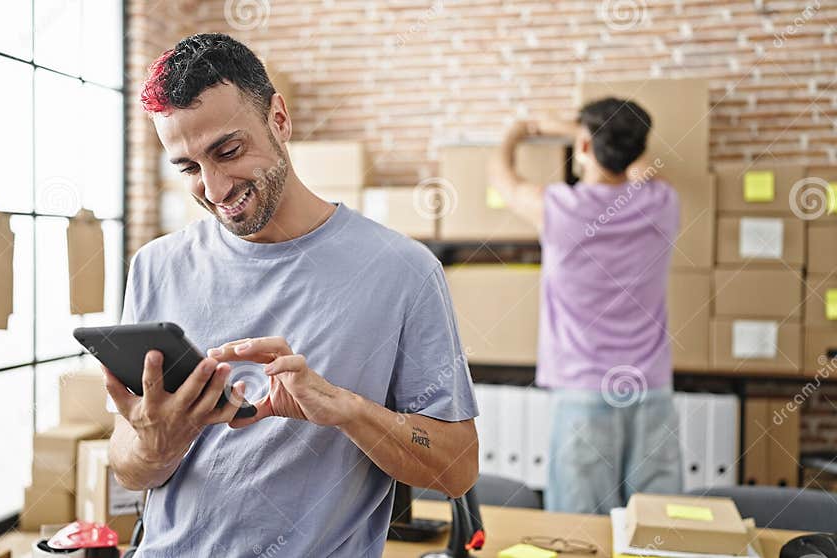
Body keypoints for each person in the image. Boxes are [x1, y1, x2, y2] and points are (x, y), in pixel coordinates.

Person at [102, 33, 479, 557]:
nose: (214, 190)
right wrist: (153, 440)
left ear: (279, 118)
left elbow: (455, 469)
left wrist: (346, 408)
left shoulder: (403, 271)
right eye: (189, 168)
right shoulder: (155, 267)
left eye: (227, 152)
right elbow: (128, 464)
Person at [490, 98, 682, 514]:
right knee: (659, 532)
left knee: (581, 537)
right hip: (651, 393)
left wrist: (520, 129)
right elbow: (640, 162)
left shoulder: (558, 207)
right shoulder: (662, 203)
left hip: (583, 392)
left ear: (584, 147)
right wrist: (587, 133)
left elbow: (501, 178)